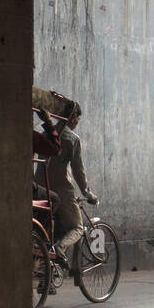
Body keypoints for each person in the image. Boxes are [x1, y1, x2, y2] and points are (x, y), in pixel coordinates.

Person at [44, 102, 98, 266]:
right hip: (61, 190)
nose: (76, 123)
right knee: (77, 227)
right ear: (73, 118)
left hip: (41, 187)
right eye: (77, 119)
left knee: (48, 232)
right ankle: (60, 248)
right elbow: (78, 171)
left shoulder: (45, 133)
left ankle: (48, 275)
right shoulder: (72, 139)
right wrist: (87, 193)